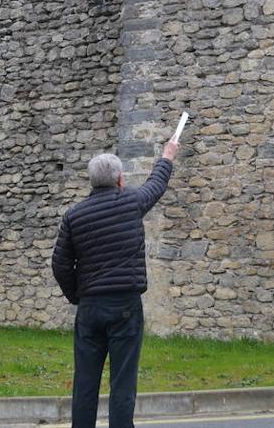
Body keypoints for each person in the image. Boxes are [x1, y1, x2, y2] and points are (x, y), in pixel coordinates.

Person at [51, 139, 180, 428]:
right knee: (122, 382)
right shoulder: (132, 203)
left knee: (85, 381)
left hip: (90, 308)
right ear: (120, 179)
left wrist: (77, 296)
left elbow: (60, 264)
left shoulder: (74, 216)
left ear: (93, 182)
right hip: (125, 307)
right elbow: (156, 185)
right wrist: (167, 156)